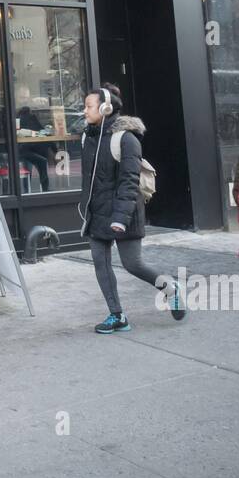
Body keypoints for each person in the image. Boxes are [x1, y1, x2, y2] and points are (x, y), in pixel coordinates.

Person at [77, 82, 185, 333]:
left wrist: (120, 218)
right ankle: (117, 315)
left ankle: (170, 287)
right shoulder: (87, 137)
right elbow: (89, 179)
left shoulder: (126, 139)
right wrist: (86, 208)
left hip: (122, 214)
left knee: (132, 264)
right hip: (96, 213)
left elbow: (129, 182)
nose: (85, 111)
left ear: (105, 108)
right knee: (100, 263)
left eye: (89, 106)